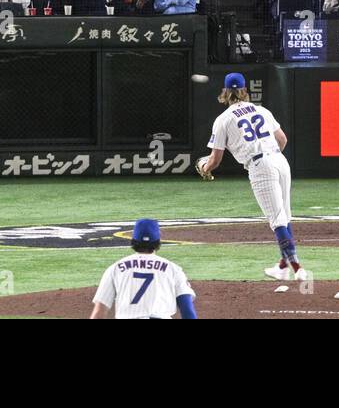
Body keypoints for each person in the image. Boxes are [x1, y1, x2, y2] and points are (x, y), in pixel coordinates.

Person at [196, 73, 308, 281]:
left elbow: (215, 159)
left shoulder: (223, 119)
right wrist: (273, 158)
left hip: (260, 164)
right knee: (284, 215)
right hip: (280, 160)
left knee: (277, 220)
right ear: (245, 91)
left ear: (226, 93)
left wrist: (204, 167)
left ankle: (297, 268)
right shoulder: (262, 110)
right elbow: (282, 139)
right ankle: (283, 266)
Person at [88, 219, 197, 319]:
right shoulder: (173, 269)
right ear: (158, 241)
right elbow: (187, 310)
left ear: (133, 239)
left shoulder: (115, 268)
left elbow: (99, 311)